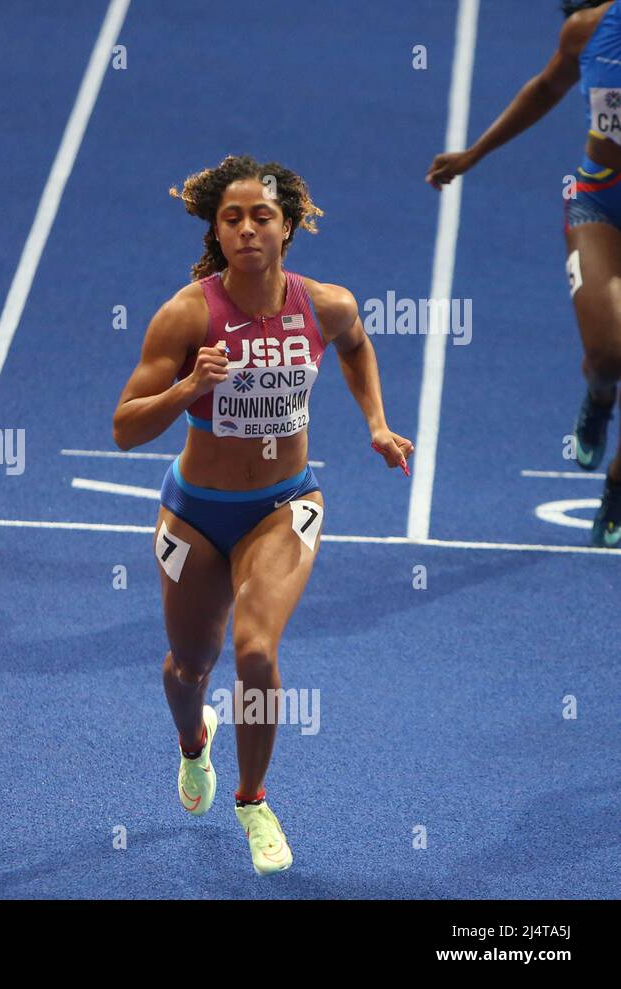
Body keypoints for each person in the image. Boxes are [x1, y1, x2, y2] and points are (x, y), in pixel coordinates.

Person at [112, 155, 412, 875]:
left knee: (256, 651)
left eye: (262, 217)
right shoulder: (188, 313)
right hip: (192, 515)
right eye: (233, 218)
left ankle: (252, 800)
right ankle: (194, 744)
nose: (247, 228)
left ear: (288, 227)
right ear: (218, 230)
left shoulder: (325, 303)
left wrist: (375, 420)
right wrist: (189, 388)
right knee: (189, 668)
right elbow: (125, 426)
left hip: (284, 505)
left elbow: (357, 344)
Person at [427, 0, 621, 546]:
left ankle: (617, 486)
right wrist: (474, 154)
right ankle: (601, 396)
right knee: (608, 355)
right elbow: (544, 89)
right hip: (601, 202)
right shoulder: (589, 29)